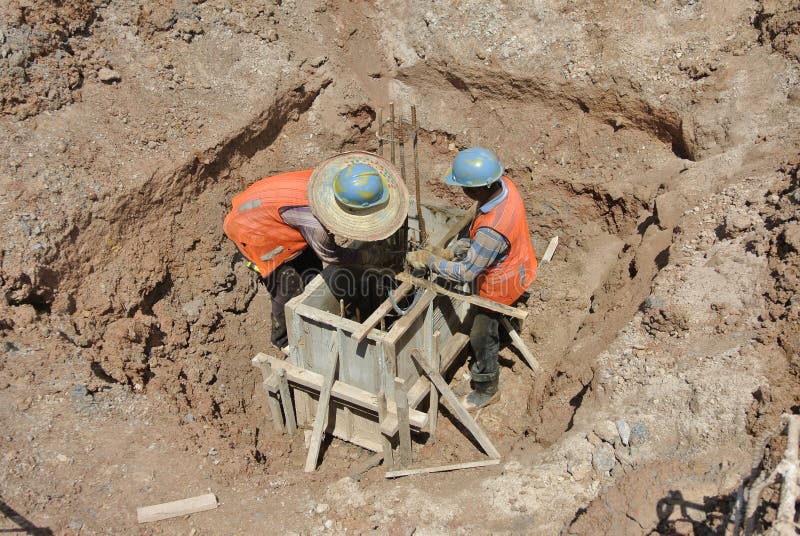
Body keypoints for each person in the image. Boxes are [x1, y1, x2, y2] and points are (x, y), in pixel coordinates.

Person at [224, 151, 408, 349]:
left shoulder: (335, 180)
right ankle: (283, 341)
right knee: (286, 286)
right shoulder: (313, 222)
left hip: (271, 209)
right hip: (254, 231)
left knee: (310, 270)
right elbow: (331, 254)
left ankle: (310, 306)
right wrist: (364, 255)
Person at [406, 147, 537, 410]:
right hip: (520, 263)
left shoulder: (493, 229)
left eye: (464, 187)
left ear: (478, 189)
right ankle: (503, 328)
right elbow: (477, 228)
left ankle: (487, 388)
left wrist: (431, 261)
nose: (462, 192)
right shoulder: (504, 186)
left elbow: (466, 272)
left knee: (481, 335)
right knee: (486, 327)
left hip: (501, 285)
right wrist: (454, 249)